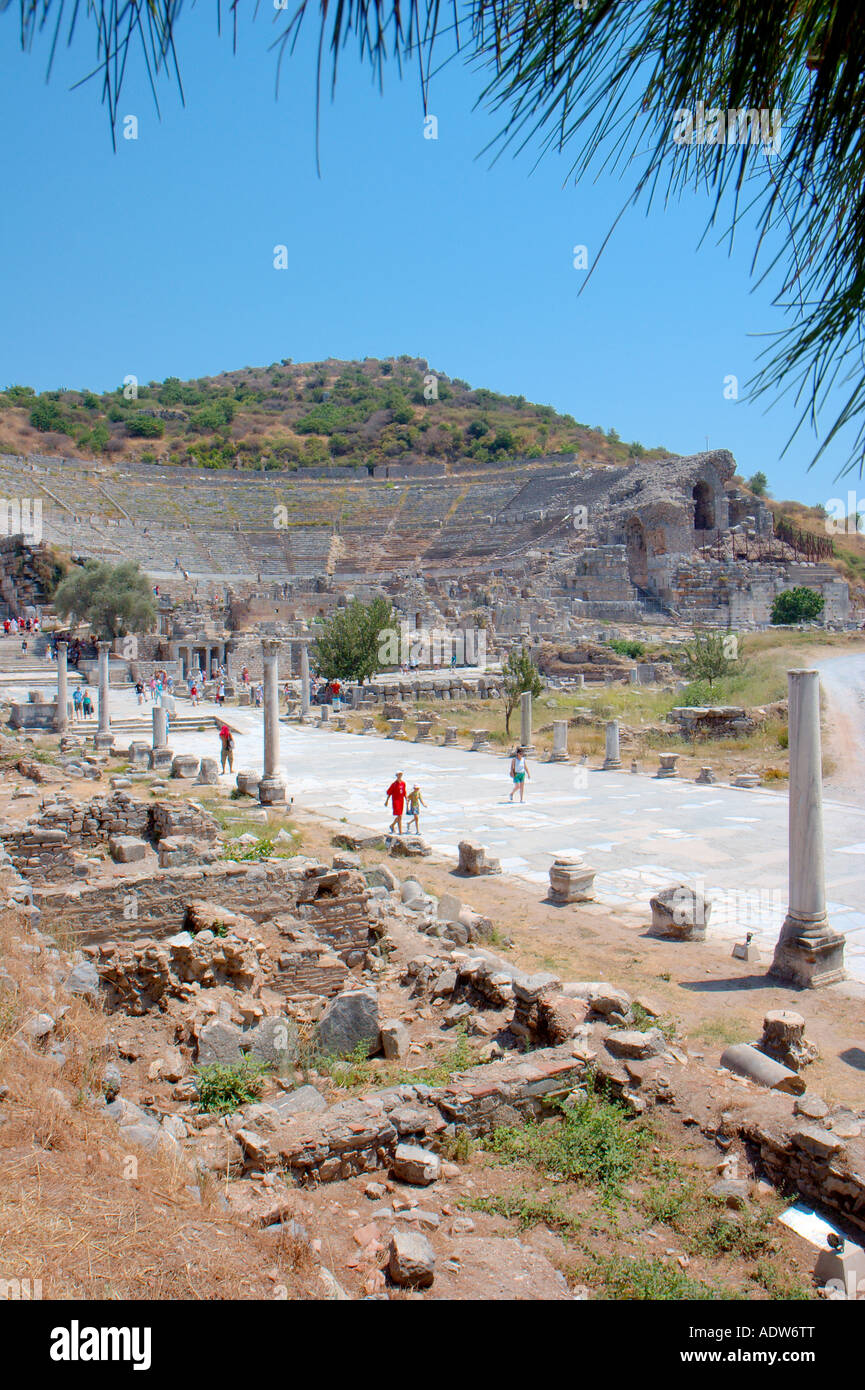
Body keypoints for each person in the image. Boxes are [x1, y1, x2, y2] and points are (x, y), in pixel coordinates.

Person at [385, 771, 407, 835]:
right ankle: (400, 831)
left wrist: (406, 798)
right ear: (397, 775)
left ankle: (392, 825)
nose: (400, 776)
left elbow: (404, 792)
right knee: (399, 815)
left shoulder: (403, 783)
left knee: (400, 816)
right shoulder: (394, 784)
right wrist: (386, 801)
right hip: (396, 801)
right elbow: (389, 793)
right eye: (398, 775)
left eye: (401, 775)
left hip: (401, 800)